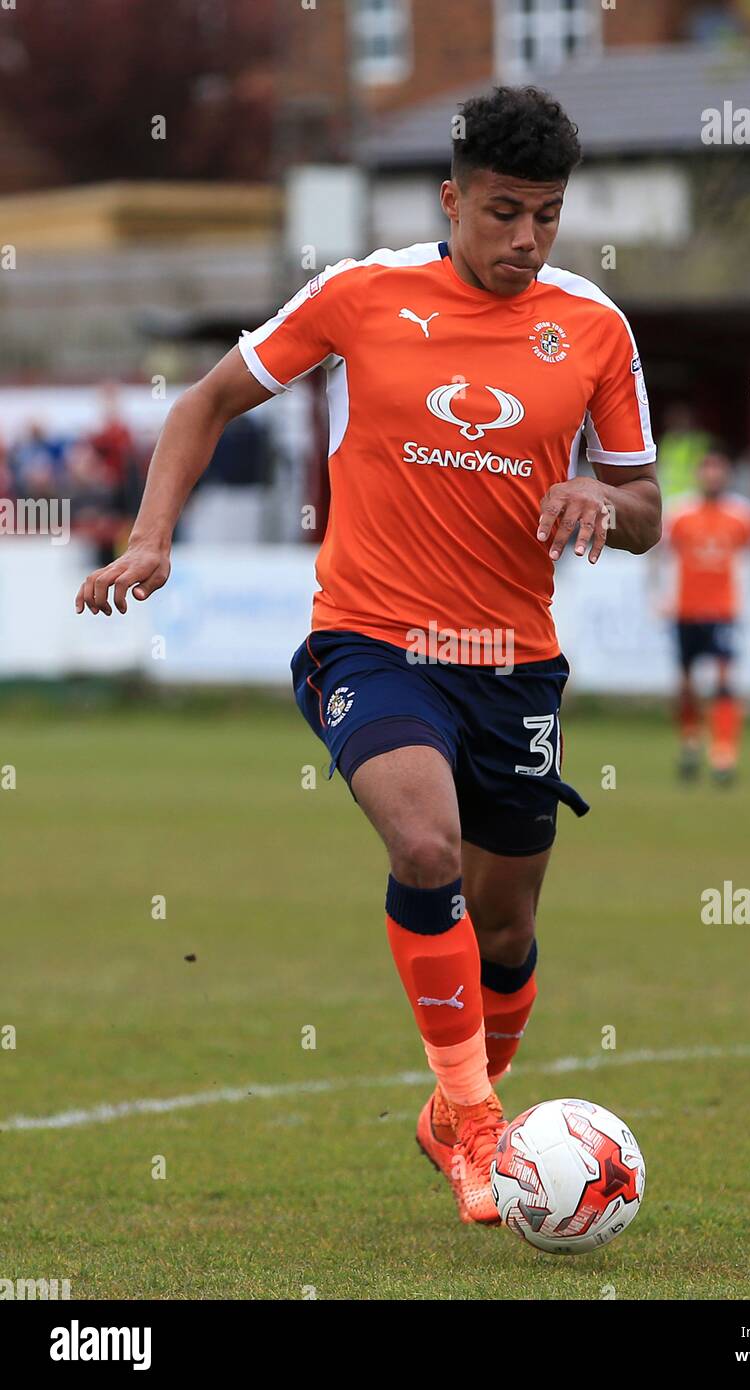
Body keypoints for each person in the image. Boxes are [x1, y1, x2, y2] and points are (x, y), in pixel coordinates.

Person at [74, 86, 661, 1226]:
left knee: (505, 929)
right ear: (450, 199)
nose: (526, 238)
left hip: (515, 663)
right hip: (373, 641)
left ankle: (451, 1111)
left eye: (545, 214)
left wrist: (604, 494)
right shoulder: (360, 296)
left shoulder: (592, 327)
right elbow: (205, 402)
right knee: (423, 839)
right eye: (502, 212)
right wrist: (150, 539)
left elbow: (645, 507)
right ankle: (475, 1117)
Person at [652, 450, 750, 784]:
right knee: (686, 683)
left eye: (719, 471)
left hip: (724, 610)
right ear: (699, 475)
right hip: (685, 609)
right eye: (707, 471)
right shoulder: (680, 513)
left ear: (728, 475)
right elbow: (658, 556)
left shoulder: (744, 514)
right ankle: (690, 743)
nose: (713, 477)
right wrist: (656, 595)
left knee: (724, 681)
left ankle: (723, 755)